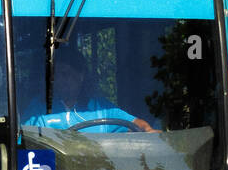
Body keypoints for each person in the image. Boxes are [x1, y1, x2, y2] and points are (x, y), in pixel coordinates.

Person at [23, 45, 155, 133]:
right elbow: (24, 141)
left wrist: (153, 134)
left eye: (66, 74)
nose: (60, 80)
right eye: (56, 75)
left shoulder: (101, 108)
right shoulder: (39, 110)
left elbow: (140, 126)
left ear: (81, 76)